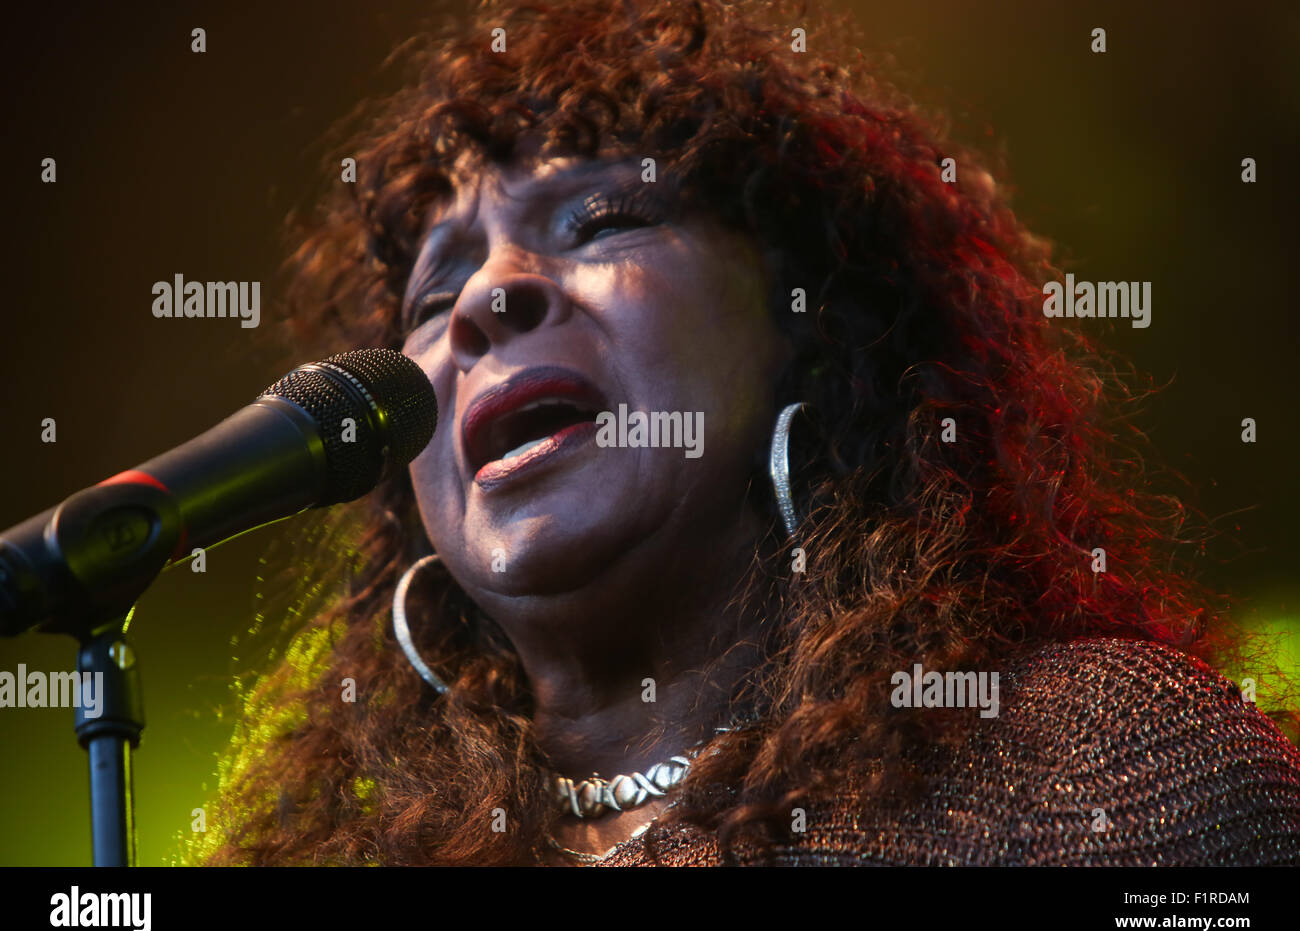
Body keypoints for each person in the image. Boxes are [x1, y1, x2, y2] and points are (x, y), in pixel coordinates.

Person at [189, 0, 1300, 866]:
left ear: (814, 331)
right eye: (433, 299)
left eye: (604, 219)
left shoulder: (1095, 762)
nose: (489, 297)